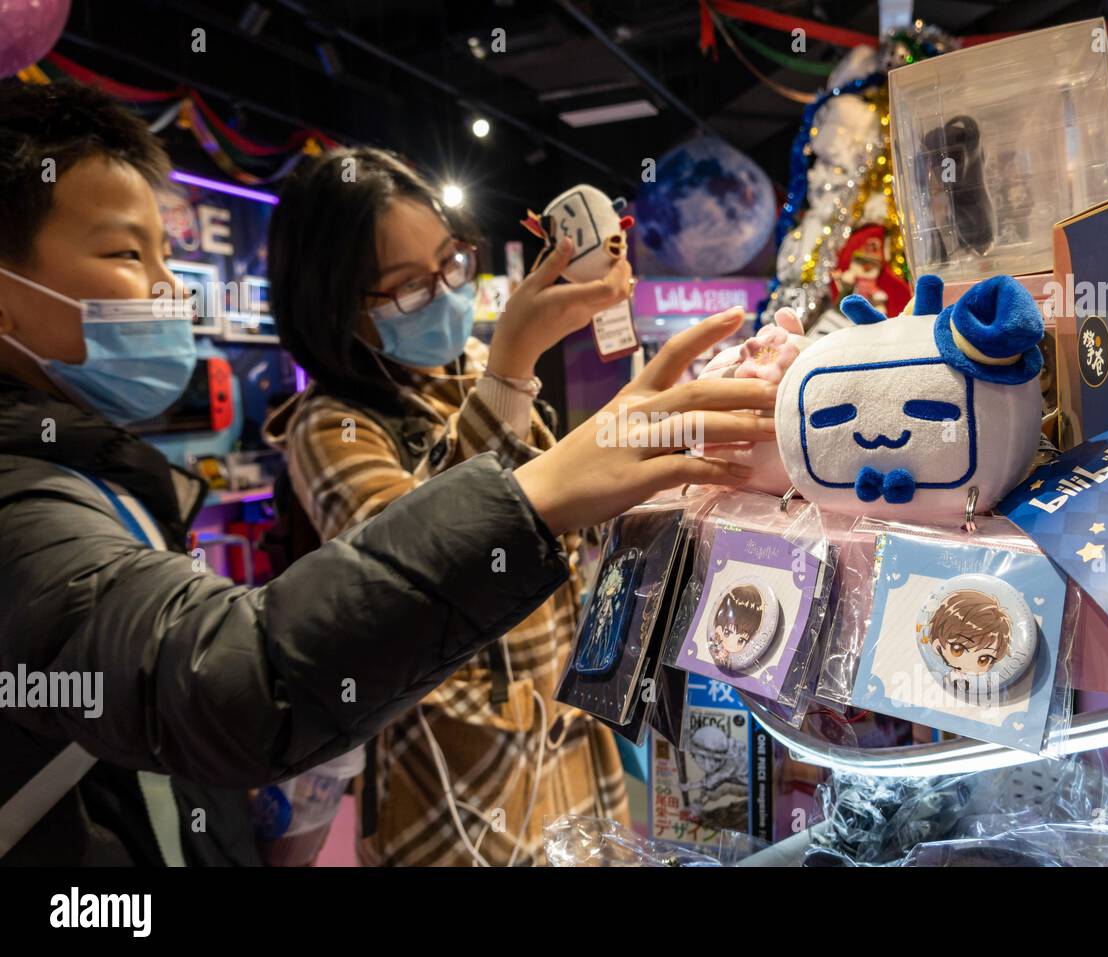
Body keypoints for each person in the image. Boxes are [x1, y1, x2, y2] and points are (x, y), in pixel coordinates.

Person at [0, 79, 775, 865]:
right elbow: (390, 583)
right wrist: (515, 384)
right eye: (407, 284)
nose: (442, 293)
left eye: (450, 263)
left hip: (568, 738)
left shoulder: (470, 369)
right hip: (457, 778)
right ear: (338, 304)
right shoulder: (328, 421)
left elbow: (567, 534)